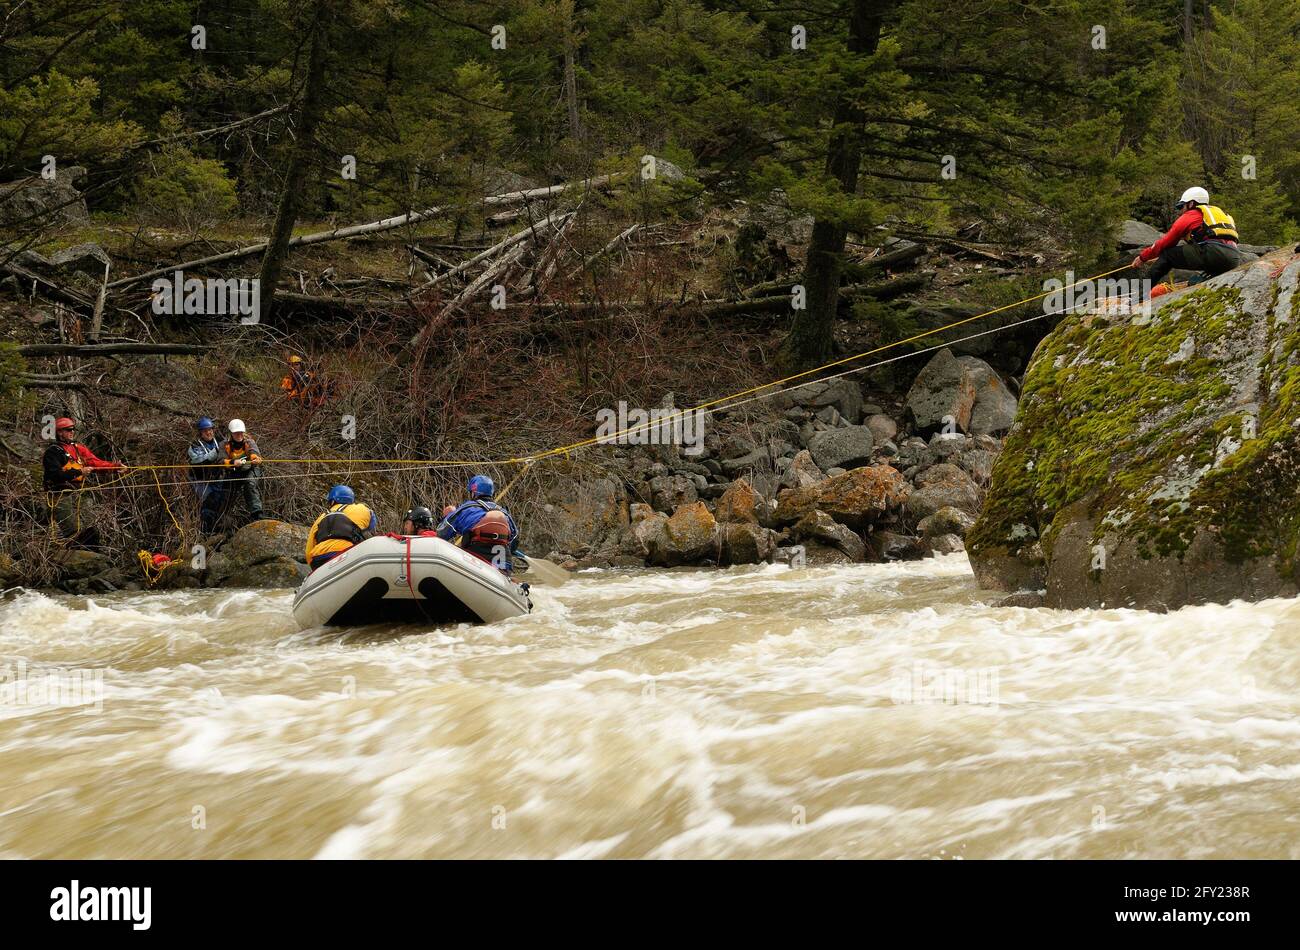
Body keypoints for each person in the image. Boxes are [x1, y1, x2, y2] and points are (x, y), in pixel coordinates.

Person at [1132, 187, 1249, 297]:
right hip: (1234, 258)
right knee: (1197, 281)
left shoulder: (1192, 214)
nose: (1181, 211)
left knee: (1167, 255)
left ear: (1191, 204)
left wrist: (1143, 257)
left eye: (1182, 206)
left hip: (1213, 252)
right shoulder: (1219, 214)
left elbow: (1165, 242)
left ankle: (1141, 295)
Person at [41, 416, 126, 546]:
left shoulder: (77, 448)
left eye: (73, 429)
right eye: (68, 429)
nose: (72, 432)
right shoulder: (52, 452)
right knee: (71, 530)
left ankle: (88, 553)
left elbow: (95, 463)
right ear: (59, 432)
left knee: (88, 528)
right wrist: (79, 472)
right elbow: (54, 474)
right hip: (59, 495)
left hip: (77, 493)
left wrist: (115, 467)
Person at [436, 475, 520, 574]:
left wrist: (447, 515)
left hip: (476, 563)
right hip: (503, 565)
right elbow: (514, 542)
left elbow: (442, 533)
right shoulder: (505, 513)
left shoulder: (467, 509)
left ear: (473, 492)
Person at [305, 484, 378, 570]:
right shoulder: (361, 509)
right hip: (347, 553)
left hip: (319, 559)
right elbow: (372, 526)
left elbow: (308, 551)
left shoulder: (320, 518)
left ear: (332, 501)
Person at [220, 419, 264, 524]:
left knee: (249, 483)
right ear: (231, 433)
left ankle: (257, 514)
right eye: (236, 433)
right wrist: (233, 462)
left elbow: (254, 453)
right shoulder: (224, 445)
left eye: (240, 432)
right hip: (235, 470)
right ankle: (222, 517)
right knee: (227, 489)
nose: (239, 435)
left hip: (251, 469)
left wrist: (254, 458)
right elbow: (220, 461)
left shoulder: (249, 442)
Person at [187, 416, 225, 533]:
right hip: (199, 478)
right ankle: (205, 531)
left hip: (215, 477)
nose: (208, 432)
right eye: (205, 431)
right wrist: (217, 451)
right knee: (209, 501)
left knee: (219, 500)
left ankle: (217, 527)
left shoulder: (218, 440)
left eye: (210, 430)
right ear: (200, 433)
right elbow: (201, 461)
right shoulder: (194, 446)